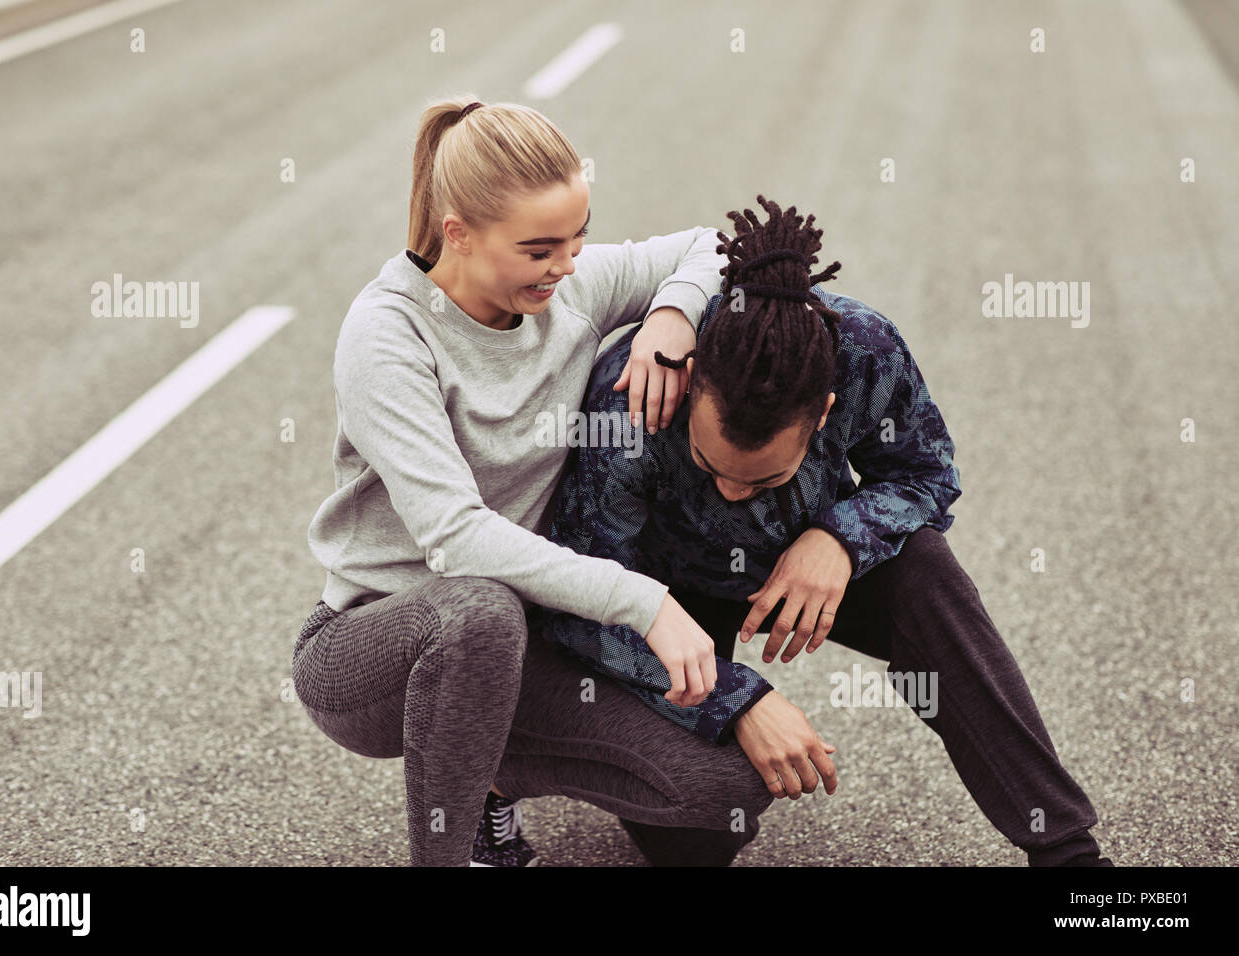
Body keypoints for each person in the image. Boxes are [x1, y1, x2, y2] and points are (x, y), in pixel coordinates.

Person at [532, 195, 1114, 866]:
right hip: (668, 605)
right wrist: (737, 699)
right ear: (690, 390)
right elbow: (580, 601)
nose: (731, 491)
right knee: (701, 829)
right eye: (710, 466)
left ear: (824, 414)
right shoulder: (630, 402)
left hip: (801, 562)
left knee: (926, 571)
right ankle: (548, 770)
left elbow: (926, 473)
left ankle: (1068, 856)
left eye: (762, 480)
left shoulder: (864, 352)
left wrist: (841, 537)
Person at [291, 94, 774, 867]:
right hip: (372, 651)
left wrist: (671, 317)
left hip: (519, 643)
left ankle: (481, 777)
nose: (568, 265)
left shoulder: (566, 291)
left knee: (726, 790)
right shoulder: (386, 335)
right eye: (541, 249)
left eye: (578, 237)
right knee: (477, 613)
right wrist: (644, 602)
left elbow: (716, 245)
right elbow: (454, 539)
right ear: (459, 233)